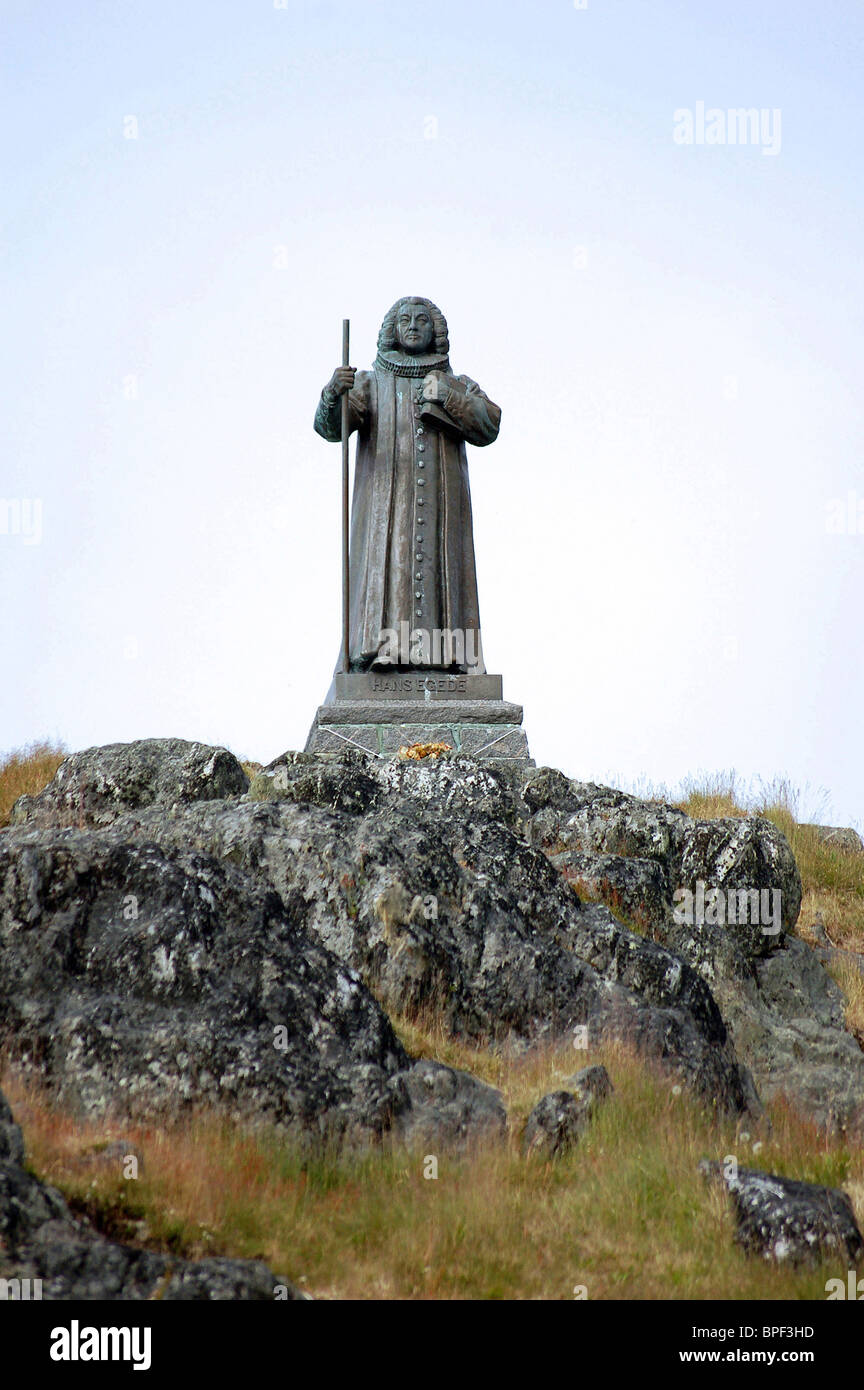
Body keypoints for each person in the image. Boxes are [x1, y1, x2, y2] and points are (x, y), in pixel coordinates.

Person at [314, 296, 501, 673]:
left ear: (436, 332)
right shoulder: (371, 383)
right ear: (392, 330)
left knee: (440, 573)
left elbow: (489, 425)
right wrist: (334, 392)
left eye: (422, 319)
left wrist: (447, 395)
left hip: (442, 507)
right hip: (387, 502)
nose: (413, 325)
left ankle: (451, 661)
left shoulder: (457, 383)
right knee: (390, 567)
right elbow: (331, 428)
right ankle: (379, 651)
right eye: (404, 319)